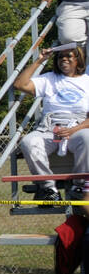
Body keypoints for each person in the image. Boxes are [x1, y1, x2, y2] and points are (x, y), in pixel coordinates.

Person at [14, 40, 89, 202]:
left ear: (78, 60)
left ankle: (79, 185)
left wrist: (73, 130)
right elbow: (20, 84)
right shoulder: (49, 79)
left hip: (77, 127)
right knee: (28, 141)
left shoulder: (86, 81)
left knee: (87, 138)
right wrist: (40, 60)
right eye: (60, 56)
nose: (64, 59)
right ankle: (48, 188)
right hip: (50, 128)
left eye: (69, 56)